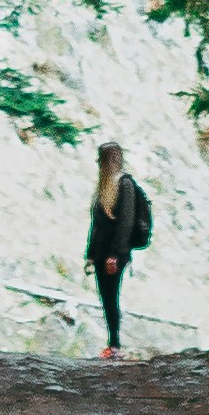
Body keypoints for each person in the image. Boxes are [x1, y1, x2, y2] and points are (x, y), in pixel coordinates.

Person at [83, 137, 151, 351]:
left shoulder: (125, 184)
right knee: (106, 296)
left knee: (111, 295)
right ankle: (113, 343)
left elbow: (126, 223)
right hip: (102, 252)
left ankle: (115, 344)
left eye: (101, 161)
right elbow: (97, 225)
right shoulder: (104, 188)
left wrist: (116, 254)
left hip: (115, 254)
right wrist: (91, 255)